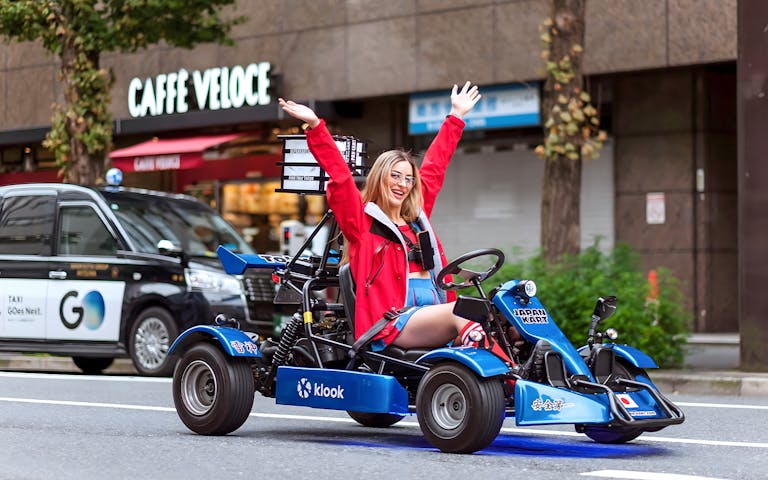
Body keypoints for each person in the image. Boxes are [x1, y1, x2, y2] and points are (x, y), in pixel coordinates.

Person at [278, 82, 512, 362]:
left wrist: (456, 116)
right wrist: (316, 127)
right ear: (381, 179)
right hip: (392, 322)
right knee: (461, 313)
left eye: (408, 178)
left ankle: (544, 370)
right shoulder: (361, 223)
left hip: (434, 311)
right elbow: (340, 178)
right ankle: (512, 380)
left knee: (505, 312)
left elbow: (435, 167)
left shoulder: (416, 220)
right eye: (395, 176)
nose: (403, 184)